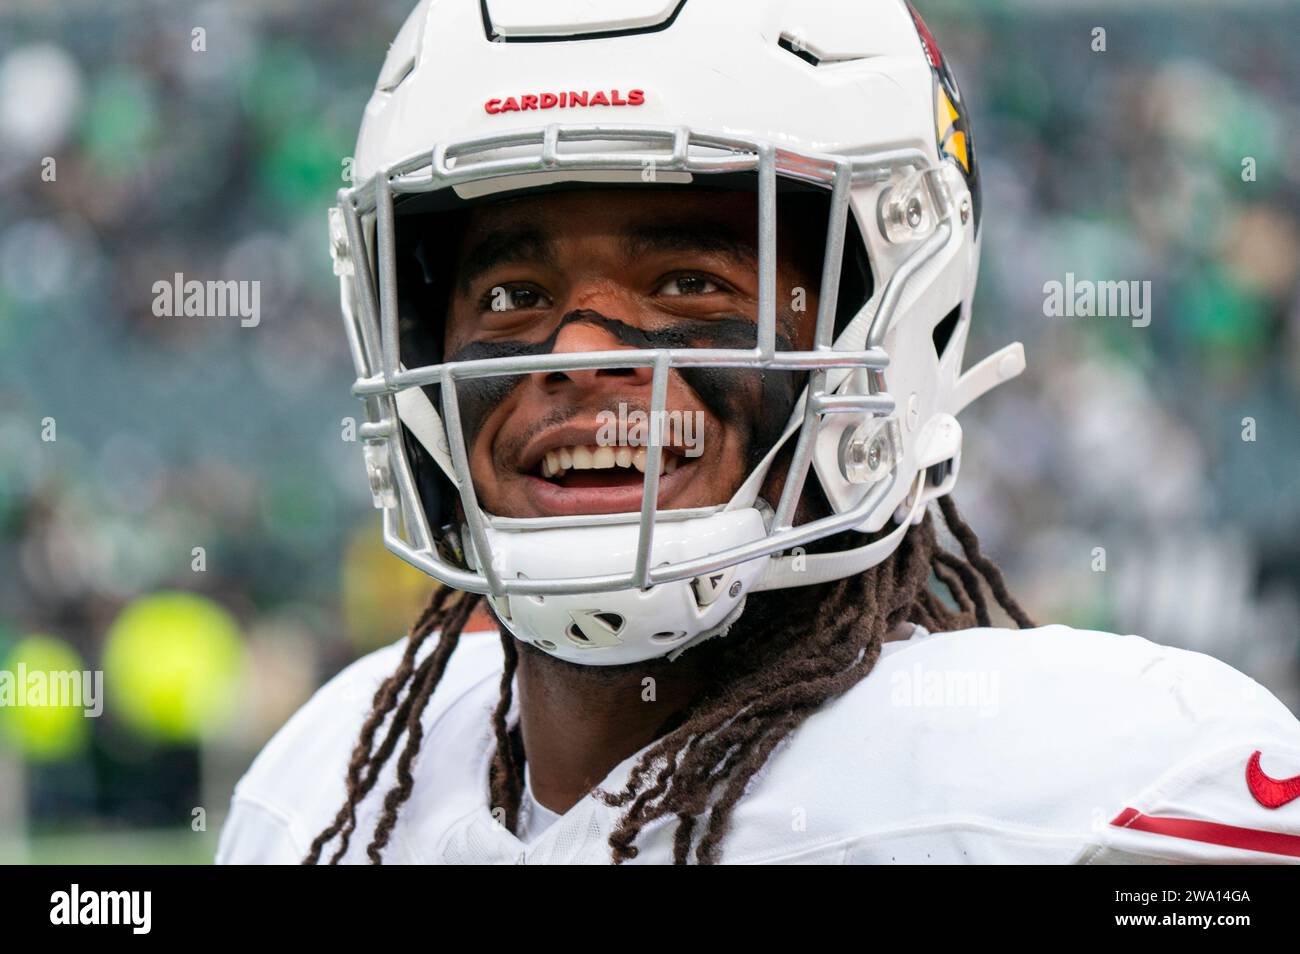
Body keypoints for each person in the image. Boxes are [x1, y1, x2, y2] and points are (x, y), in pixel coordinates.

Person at [216, 0, 1300, 864]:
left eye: (685, 283)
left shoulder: (1093, 791)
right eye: (510, 293)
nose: (582, 354)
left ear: (883, 320)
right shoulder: (323, 787)